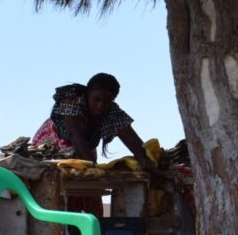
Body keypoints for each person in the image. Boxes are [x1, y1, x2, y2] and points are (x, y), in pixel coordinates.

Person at [32, 73, 161, 173]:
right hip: (53, 144)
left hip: (84, 147)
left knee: (91, 186)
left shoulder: (112, 112)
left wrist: (147, 161)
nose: (100, 106)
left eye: (106, 102)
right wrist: (93, 168)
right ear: (88, 93)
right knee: (70, 178)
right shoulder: (72, 100)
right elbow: (74, 135)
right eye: (96, 99)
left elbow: (133, 142)